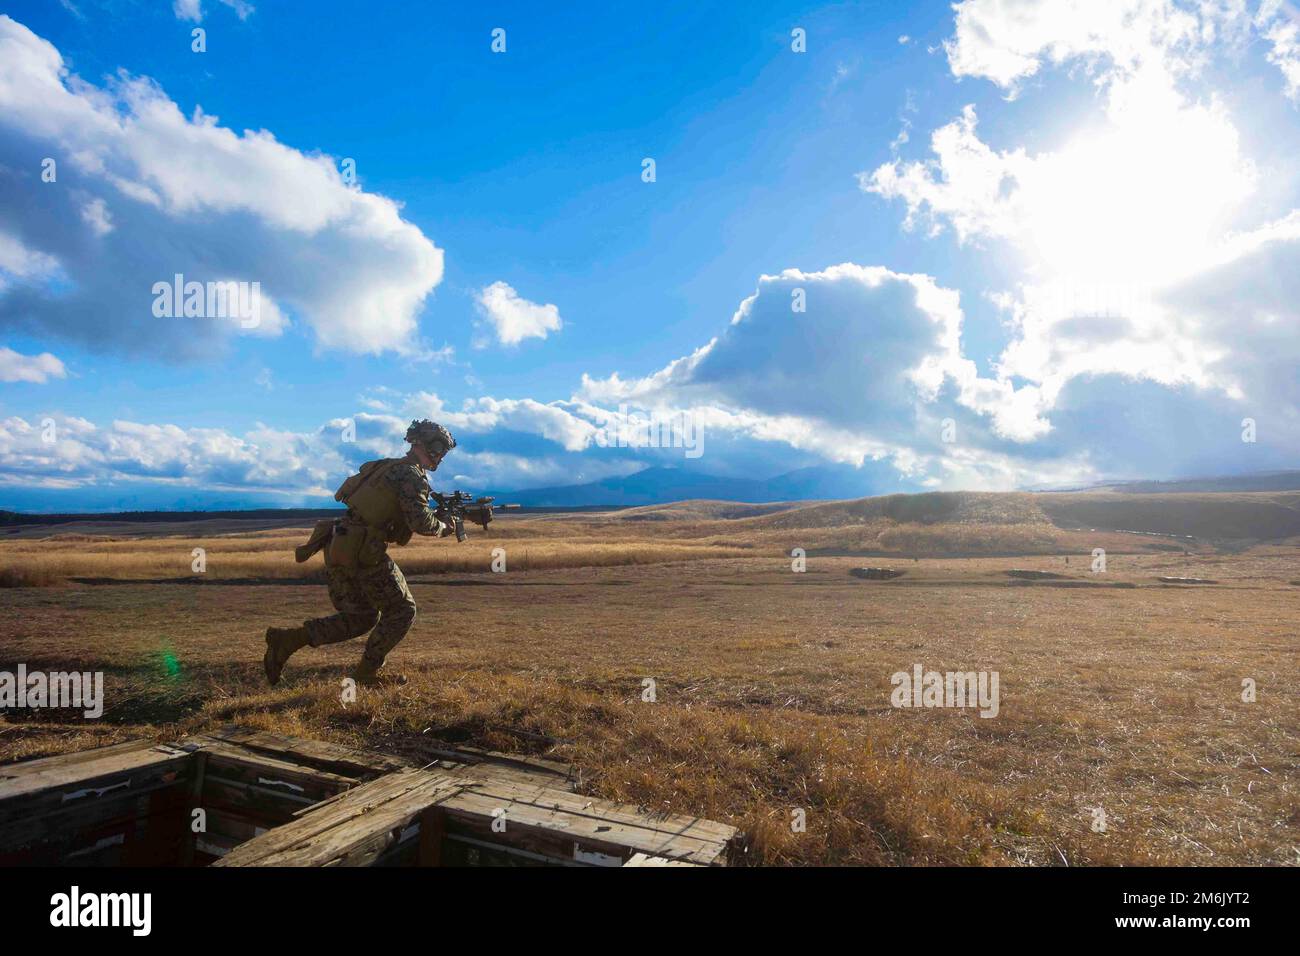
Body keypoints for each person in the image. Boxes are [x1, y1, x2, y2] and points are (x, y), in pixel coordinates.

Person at [263, 419, 456, 686]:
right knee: (402, 610)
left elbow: (396, 511)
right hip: (365, 551)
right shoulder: (410, 474)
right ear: (424, 444)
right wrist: (444, 525)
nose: (441, 457)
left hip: (340, 546)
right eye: (439, 450)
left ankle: (288, 640)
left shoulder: (387, 467)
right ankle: (366, 674)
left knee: (360, 617)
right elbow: (421, 522)